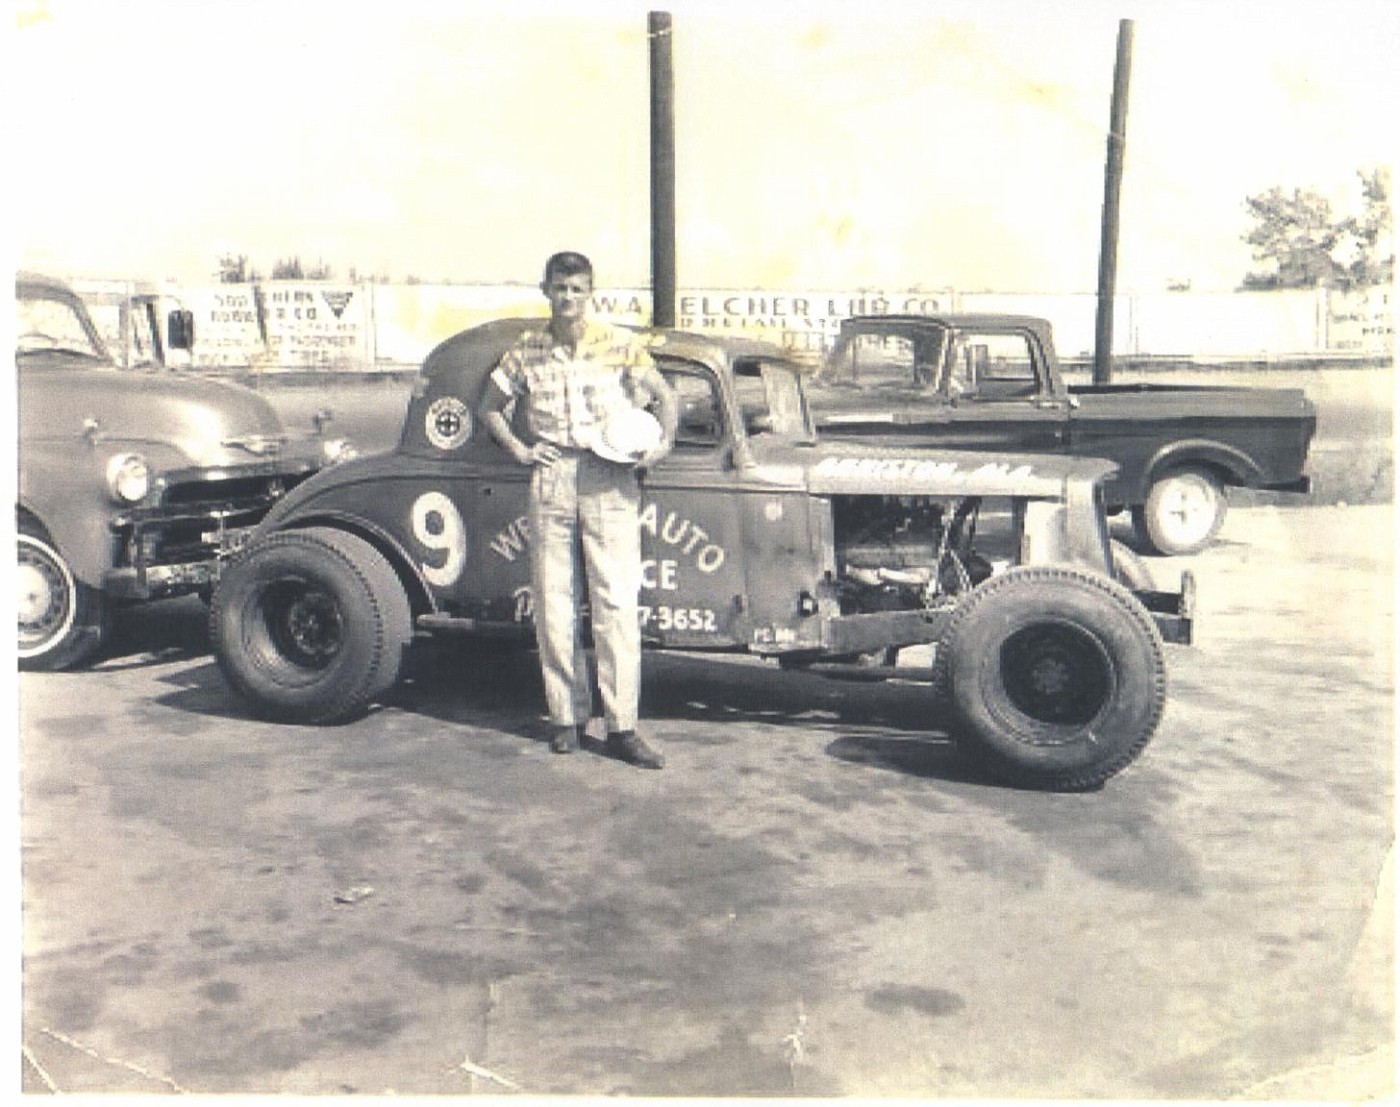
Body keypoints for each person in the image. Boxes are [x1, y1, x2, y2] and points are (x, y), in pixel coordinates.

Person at [479, 251, 677, 768]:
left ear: (592, 292)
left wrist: (662, 444)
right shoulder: (527, 350)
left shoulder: (619, 344)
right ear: (545, 289)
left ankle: (623, 727)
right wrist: (521, 450)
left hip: (610, 473)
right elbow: (488, 406)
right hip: (553, 474)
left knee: (615, 602)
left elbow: (664, 395)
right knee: (554, 600)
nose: (568, 298)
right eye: (560, 288)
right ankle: (565, 717)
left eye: (577, 289)